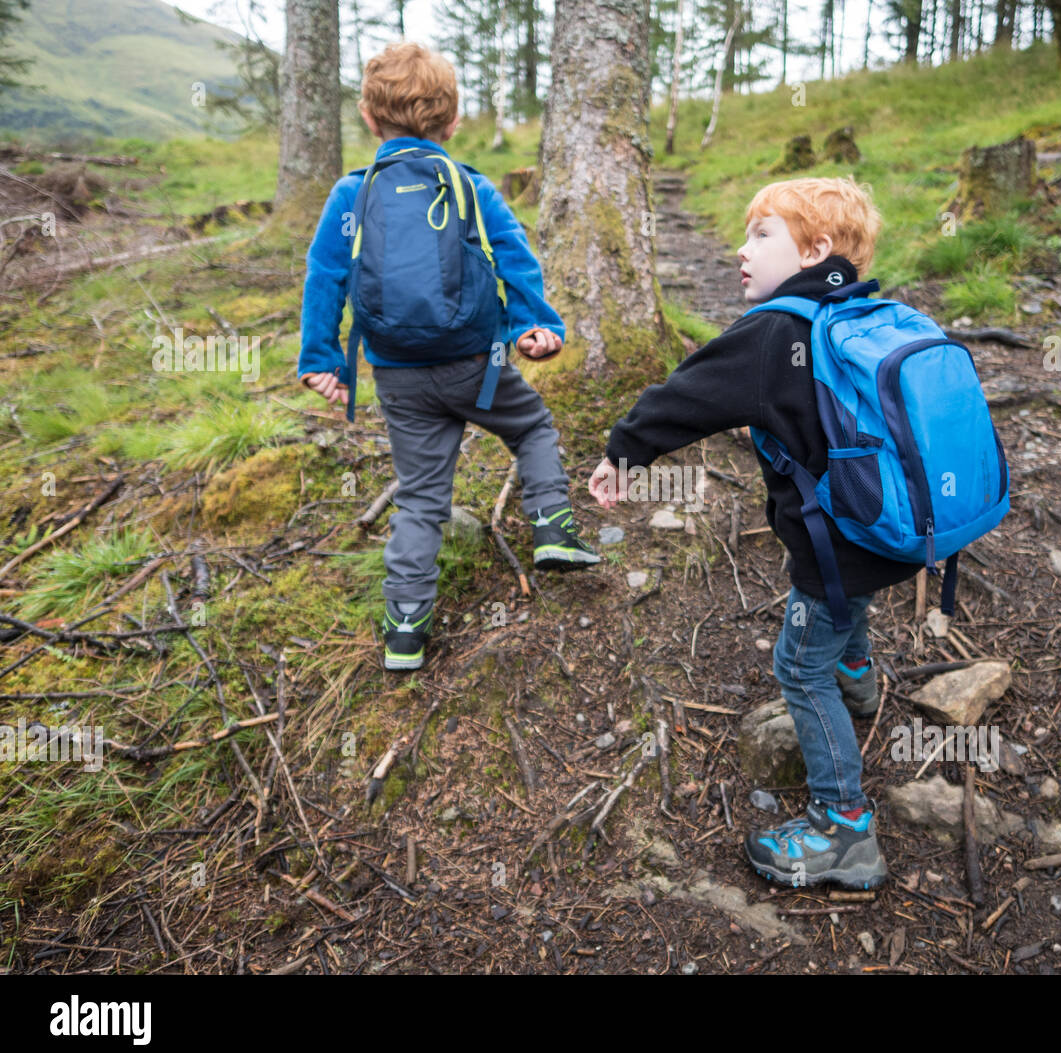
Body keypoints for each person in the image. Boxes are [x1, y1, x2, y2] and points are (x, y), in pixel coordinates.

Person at [588, 177, 921, 888]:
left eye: (761, 235)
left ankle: (845, 829)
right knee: (845, 610)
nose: (741, 250)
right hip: (890, 531)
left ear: (815, 248)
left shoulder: (774, 330)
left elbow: (689, 394)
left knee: (800, 665)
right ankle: (858, 683)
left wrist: (624, 453)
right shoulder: (863, 309)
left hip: (835, 546)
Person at [297, 42, 599, 671]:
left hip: (398, 378)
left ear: (369, 119)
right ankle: (552, 529)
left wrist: (322, 359)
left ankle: (404, 629)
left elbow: (324, 276)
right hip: (477, 367)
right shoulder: (471, 186)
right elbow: (514, 258)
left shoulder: (351, 195)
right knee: (533, 427)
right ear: (453, 123)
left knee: (421, 499)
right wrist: (535, 325)